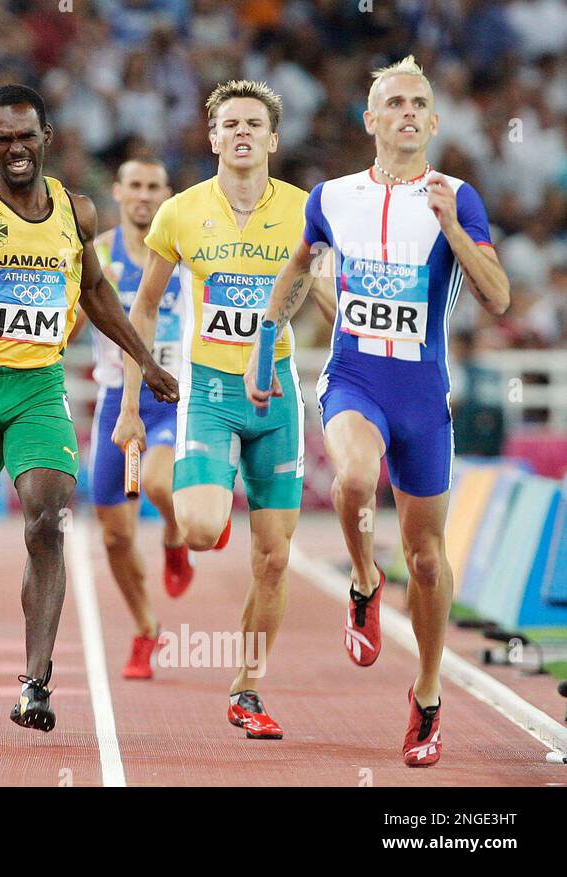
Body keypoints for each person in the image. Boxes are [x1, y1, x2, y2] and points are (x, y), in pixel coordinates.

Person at [246, 57, 510, 766]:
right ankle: (363, 579)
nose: (407, 112)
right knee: (357, 479)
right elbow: (299, 265)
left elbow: (497, 296)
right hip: (354, 378)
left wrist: (453, 228)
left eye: (419, 103)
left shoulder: (459, 197)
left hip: (422, 396)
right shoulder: (332, 197)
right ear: (370, 120)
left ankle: (427, 694)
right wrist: (264, 342)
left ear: (434, 120)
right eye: (394, 102)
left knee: (425, 560)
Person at [0, 84, 177, 732]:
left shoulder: (77, 212)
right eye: (3, 138)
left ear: (47, 137)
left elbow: (96, 291)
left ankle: (35, 683)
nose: (15, 148)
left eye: (26, 136)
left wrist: (146, 359)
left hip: (40, 388)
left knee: (47, 522)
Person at [112, 80, 331, 740]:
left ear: (273, 139)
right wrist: (131, 400)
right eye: (229, 123)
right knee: (205, 530)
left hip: (277, 395)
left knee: (274, 558)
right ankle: (202, 507)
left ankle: (248, 687)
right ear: (212, 138)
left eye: (253, 124)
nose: (241, 132)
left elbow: (327, 296)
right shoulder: (179, 212)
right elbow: (144, 306)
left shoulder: (304, 210)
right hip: (207, 391)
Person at [78, 155, 200, 680]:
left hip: (172, 395)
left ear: (167, 195)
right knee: (114, 537)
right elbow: (69, 322)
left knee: (156, 482)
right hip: (117, 400)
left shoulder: (186, 254)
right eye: (136, 185)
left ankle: (174, 535)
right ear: (118, 192)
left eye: (154, 186)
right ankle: (146, 627)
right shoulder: (99, 254)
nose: (145, 195)